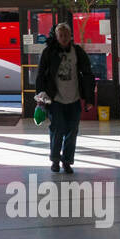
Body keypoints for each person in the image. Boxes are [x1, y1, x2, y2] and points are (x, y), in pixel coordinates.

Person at [34, 23, 97, 175]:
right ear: (56, 36)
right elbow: (41, 74)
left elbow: (87, 74)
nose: (63, 38)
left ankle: (67, 161)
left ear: (70, 36)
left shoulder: (78, 52)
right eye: (60, 35)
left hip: (74, 99)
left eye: (66, 35)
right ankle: (55, 160)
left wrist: (89, 99)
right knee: (58, 129)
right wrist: (41, 95)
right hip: (55, 99)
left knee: (72, 131)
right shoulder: (49, 52)